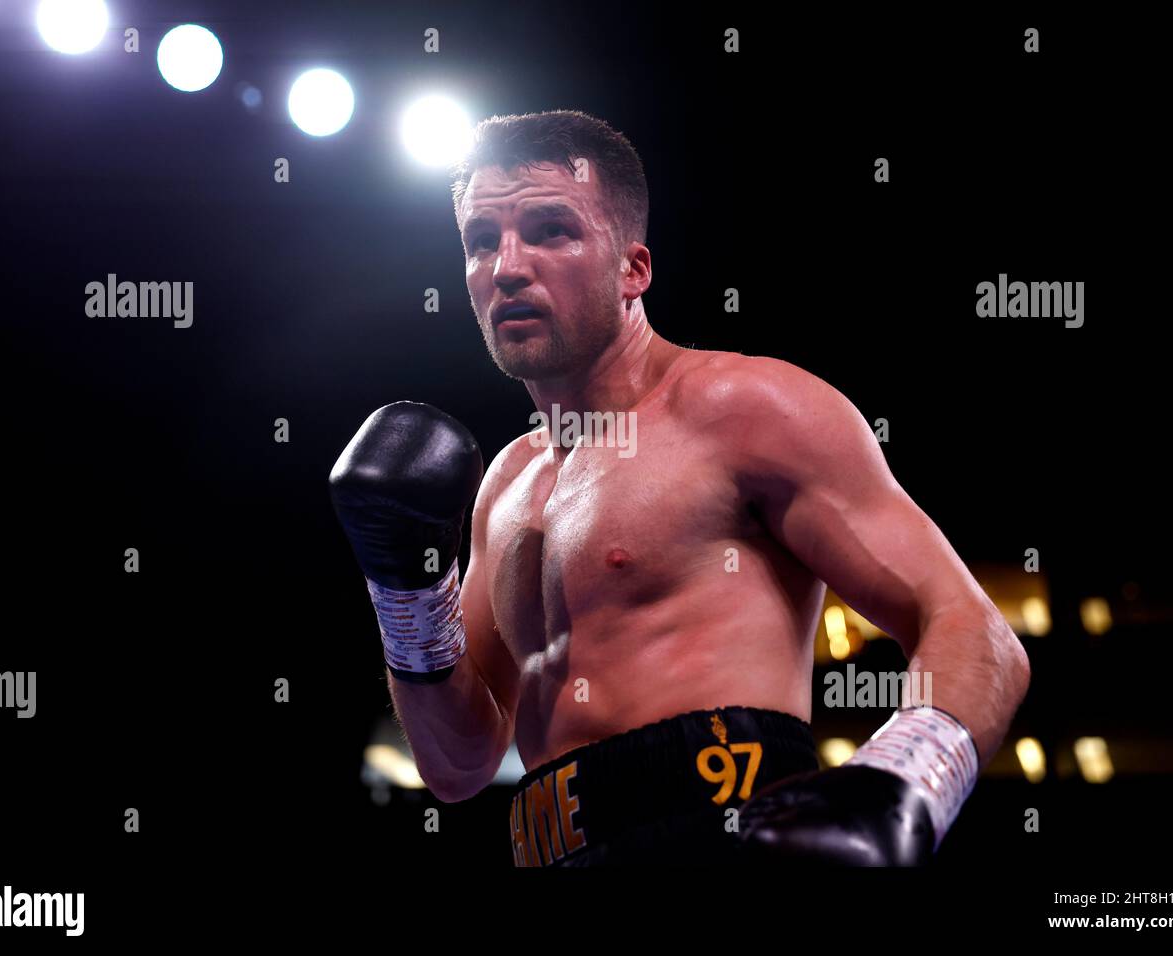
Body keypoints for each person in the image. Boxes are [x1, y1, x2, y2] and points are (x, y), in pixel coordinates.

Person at [329, 110, 1030, 866]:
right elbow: (459, 768)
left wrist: (901, 784)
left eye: (549, 229)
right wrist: (406, 595)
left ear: (633, 268)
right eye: (481, 241)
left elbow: (975, 629)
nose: (506, 266)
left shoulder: (744, 407)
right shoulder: (504, 486)